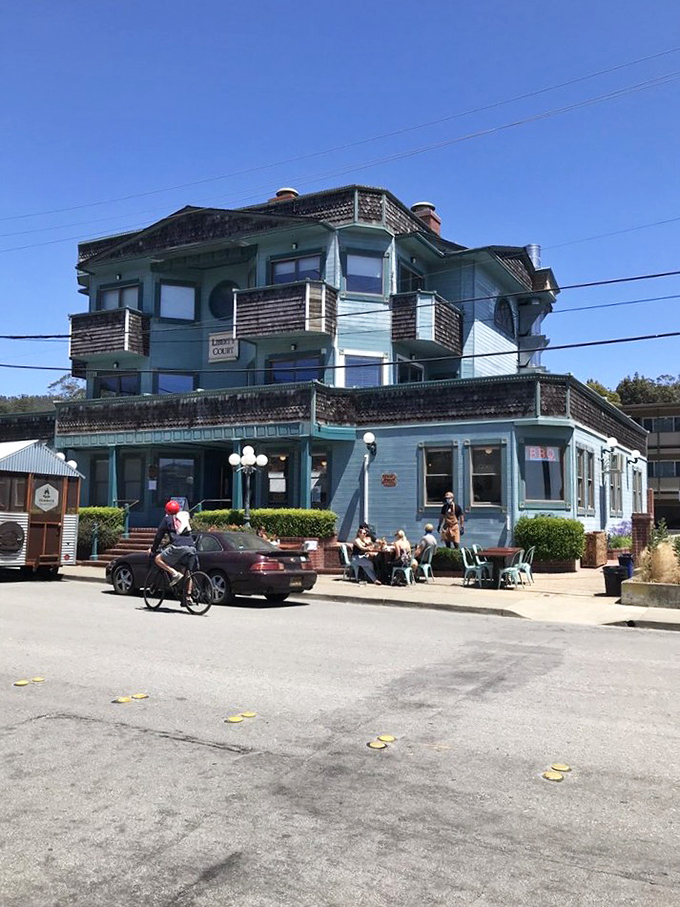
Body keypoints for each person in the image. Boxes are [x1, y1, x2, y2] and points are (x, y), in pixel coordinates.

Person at [150, 500, 197, 587]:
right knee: (187, 571)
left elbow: (158, 536)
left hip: (179, 547)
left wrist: (153, 550)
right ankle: (188, 596)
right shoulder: (184, 519)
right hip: (192, 546)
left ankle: (174, 573)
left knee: (158, 559)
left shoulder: (167, 519)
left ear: (167, 510)